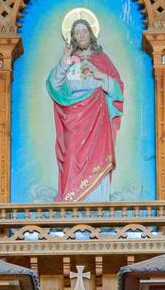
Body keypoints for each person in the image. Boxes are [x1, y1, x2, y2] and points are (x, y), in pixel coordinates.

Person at [45, 18, 124, 202]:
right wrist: (64, 61)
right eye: (77, 32)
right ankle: (71, 203)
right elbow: (54, 84)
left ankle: (98, 204)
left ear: (90, 34)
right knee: (71, 155)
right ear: (73, 37)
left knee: (98, 156)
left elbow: (118, 87)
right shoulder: (69, 60)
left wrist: (101, 76)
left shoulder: (102, 59)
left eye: (84, 31)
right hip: (73, 118)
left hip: (97, 118)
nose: (81, 35)